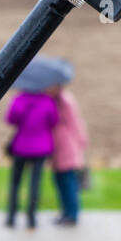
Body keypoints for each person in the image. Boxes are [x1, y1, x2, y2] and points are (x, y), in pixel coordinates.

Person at [4, 89, 59, 228]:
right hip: (41, 148)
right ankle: (31, 218)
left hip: (21, 146)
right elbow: (54, 121)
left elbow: (10, 119)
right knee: (35, 183)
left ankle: (11, 217)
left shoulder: (19, 99)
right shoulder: (47, 100)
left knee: (15, 183)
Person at [49, 85, 88, 226]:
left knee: (68, 182)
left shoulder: (65, 100)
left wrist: (81, 142)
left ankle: (72, 214)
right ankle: (66, 212)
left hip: (67, 145)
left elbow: (75, 122)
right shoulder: (56, 99)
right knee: (61, 181)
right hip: (59, 145)